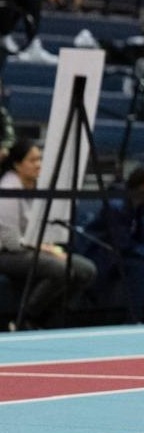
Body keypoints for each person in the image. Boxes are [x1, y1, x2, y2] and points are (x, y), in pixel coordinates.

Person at [0, 139, 96, 327]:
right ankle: (25, 318)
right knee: (61, 268)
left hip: (30, 249)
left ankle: (49, 319)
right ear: (17, 165)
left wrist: (48, 247)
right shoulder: (8, 190)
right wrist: (47, 249)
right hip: (6, 253)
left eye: (40, 159)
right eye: (32, 160)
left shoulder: (37, 188)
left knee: (86, 270)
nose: (39, 165)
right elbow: (10, 241)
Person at [89, 165, 144, 323]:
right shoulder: (116, 207)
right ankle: (134, 318)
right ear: (140, 185)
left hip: (132, 253)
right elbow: (121, 243)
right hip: (106, 254)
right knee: (137, 266)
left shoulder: (143, 209)